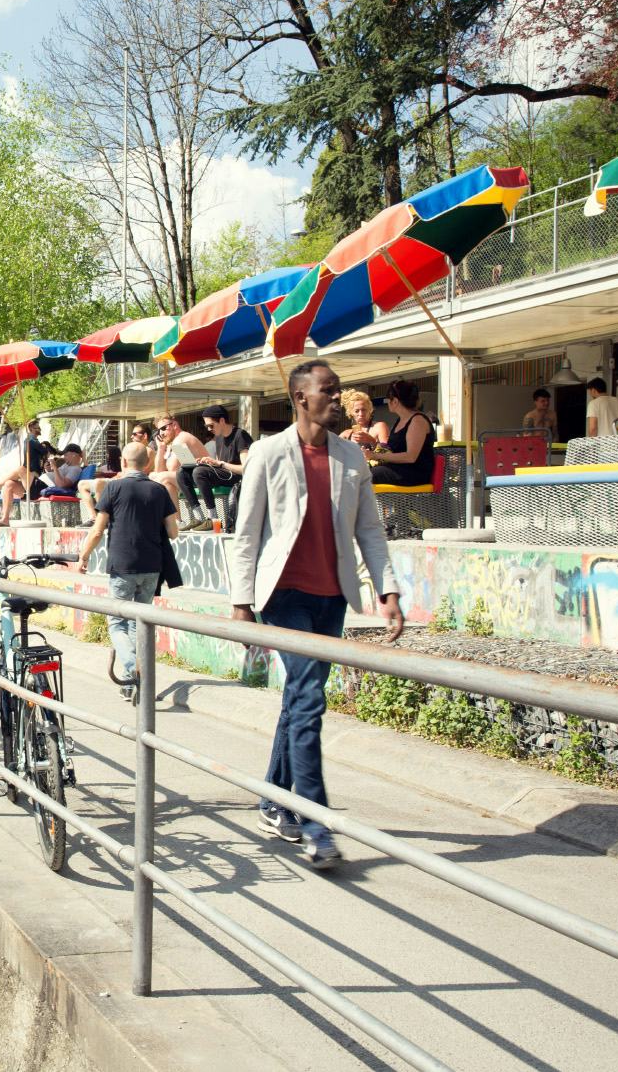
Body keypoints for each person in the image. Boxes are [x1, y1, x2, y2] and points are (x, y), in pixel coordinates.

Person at [229, 359, 403, 870]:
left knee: (301, 699)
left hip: (332, 597)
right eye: (328, 390)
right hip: (284, 595)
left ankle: (273, 799)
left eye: (339, 389)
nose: (337, 398)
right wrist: (241, 603)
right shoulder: (268, 453)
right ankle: (315, 825)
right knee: (308, 701)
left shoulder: (351, 456)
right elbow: (246, 533)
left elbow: (369, 529)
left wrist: (388, 590)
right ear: (301, 397)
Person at [65, 445, 177, 684]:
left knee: (117, 623)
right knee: (140, 624)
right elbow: (173, 532)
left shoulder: (113, 488)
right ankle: (132, 683)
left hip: (123, 566)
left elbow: (98, 530)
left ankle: (133, 668)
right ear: (148, 463)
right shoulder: (159, 490)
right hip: (152, 566)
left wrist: (84, 556)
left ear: (124, 462)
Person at [189, 405, 253, 533]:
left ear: (222, 420)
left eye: (211, 425)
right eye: (207, 426)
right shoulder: (218, 438)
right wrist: (209, 462)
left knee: (199, 472)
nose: (209, 429)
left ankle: (213, 518)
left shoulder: (240, 435)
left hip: (237, 478)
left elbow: (247, 469)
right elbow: (219, 465)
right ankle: (198, 517)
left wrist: (221, 464)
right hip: (225, 474)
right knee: (183, 473)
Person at [369, 379, 435, 487]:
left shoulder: (417, 421)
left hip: (414, 474)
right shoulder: (400, 420)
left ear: (395, 401)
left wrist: (375, 455)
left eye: (388, 399)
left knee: (369, 474)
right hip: (398, 469)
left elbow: (410, 457)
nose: (387, 402)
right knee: (363, 470)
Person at [0, 419, 49, 526]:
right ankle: (5, 519)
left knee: (20, 469)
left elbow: (46, 452)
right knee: (9, 484)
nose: (40, 429)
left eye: (39, 427)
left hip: (40, 486)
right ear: (31, 428)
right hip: (32, 485)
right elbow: (43, 451)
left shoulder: (34, 443)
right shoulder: (30, 441)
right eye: (37, 427)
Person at [154, 415, 210, 529]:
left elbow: (179, 469)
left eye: (164, 428)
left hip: (205, 479)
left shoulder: (181, 439)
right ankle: (177, 522)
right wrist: (160, 448)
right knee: (165, 483)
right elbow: (159, 470)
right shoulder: (172, 443)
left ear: (174, 425)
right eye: (158, 431)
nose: (161, 433)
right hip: (191, 479)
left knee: (161, 478)